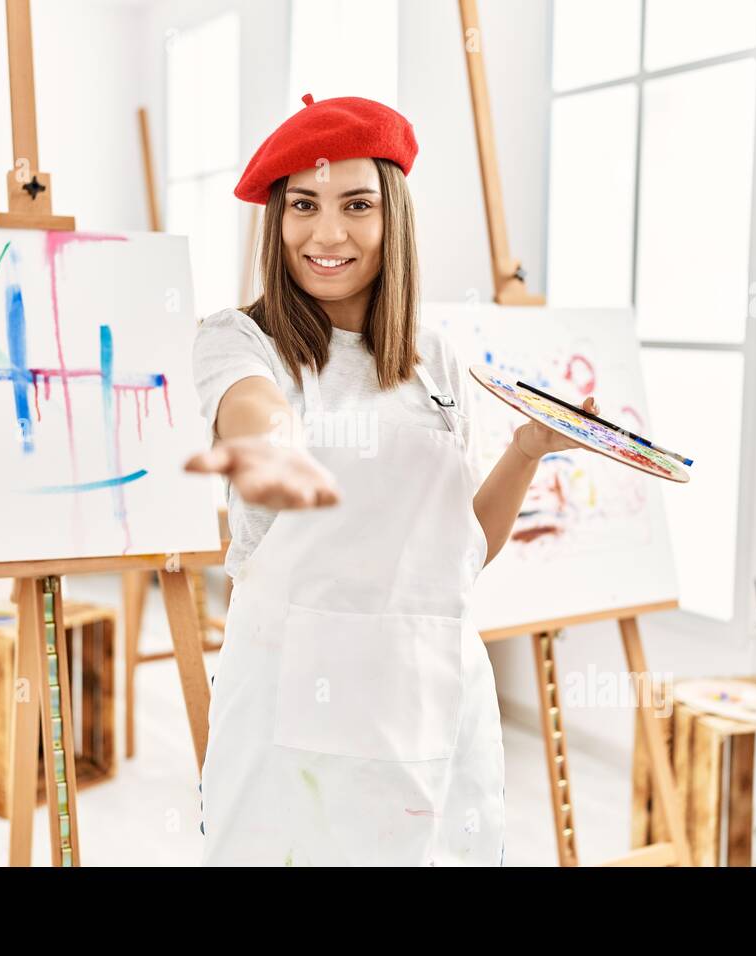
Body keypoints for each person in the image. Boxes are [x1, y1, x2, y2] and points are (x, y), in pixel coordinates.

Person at [184, 94, 598, 866]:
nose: (327, 232)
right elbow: (250, 412)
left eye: (357, 205)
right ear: (277, 220)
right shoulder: (238, 340)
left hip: (433, 694)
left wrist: (528, 450)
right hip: (291, 699)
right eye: (303, 205)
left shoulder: (433, 360)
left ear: (392, 218)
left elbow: (462, 549)